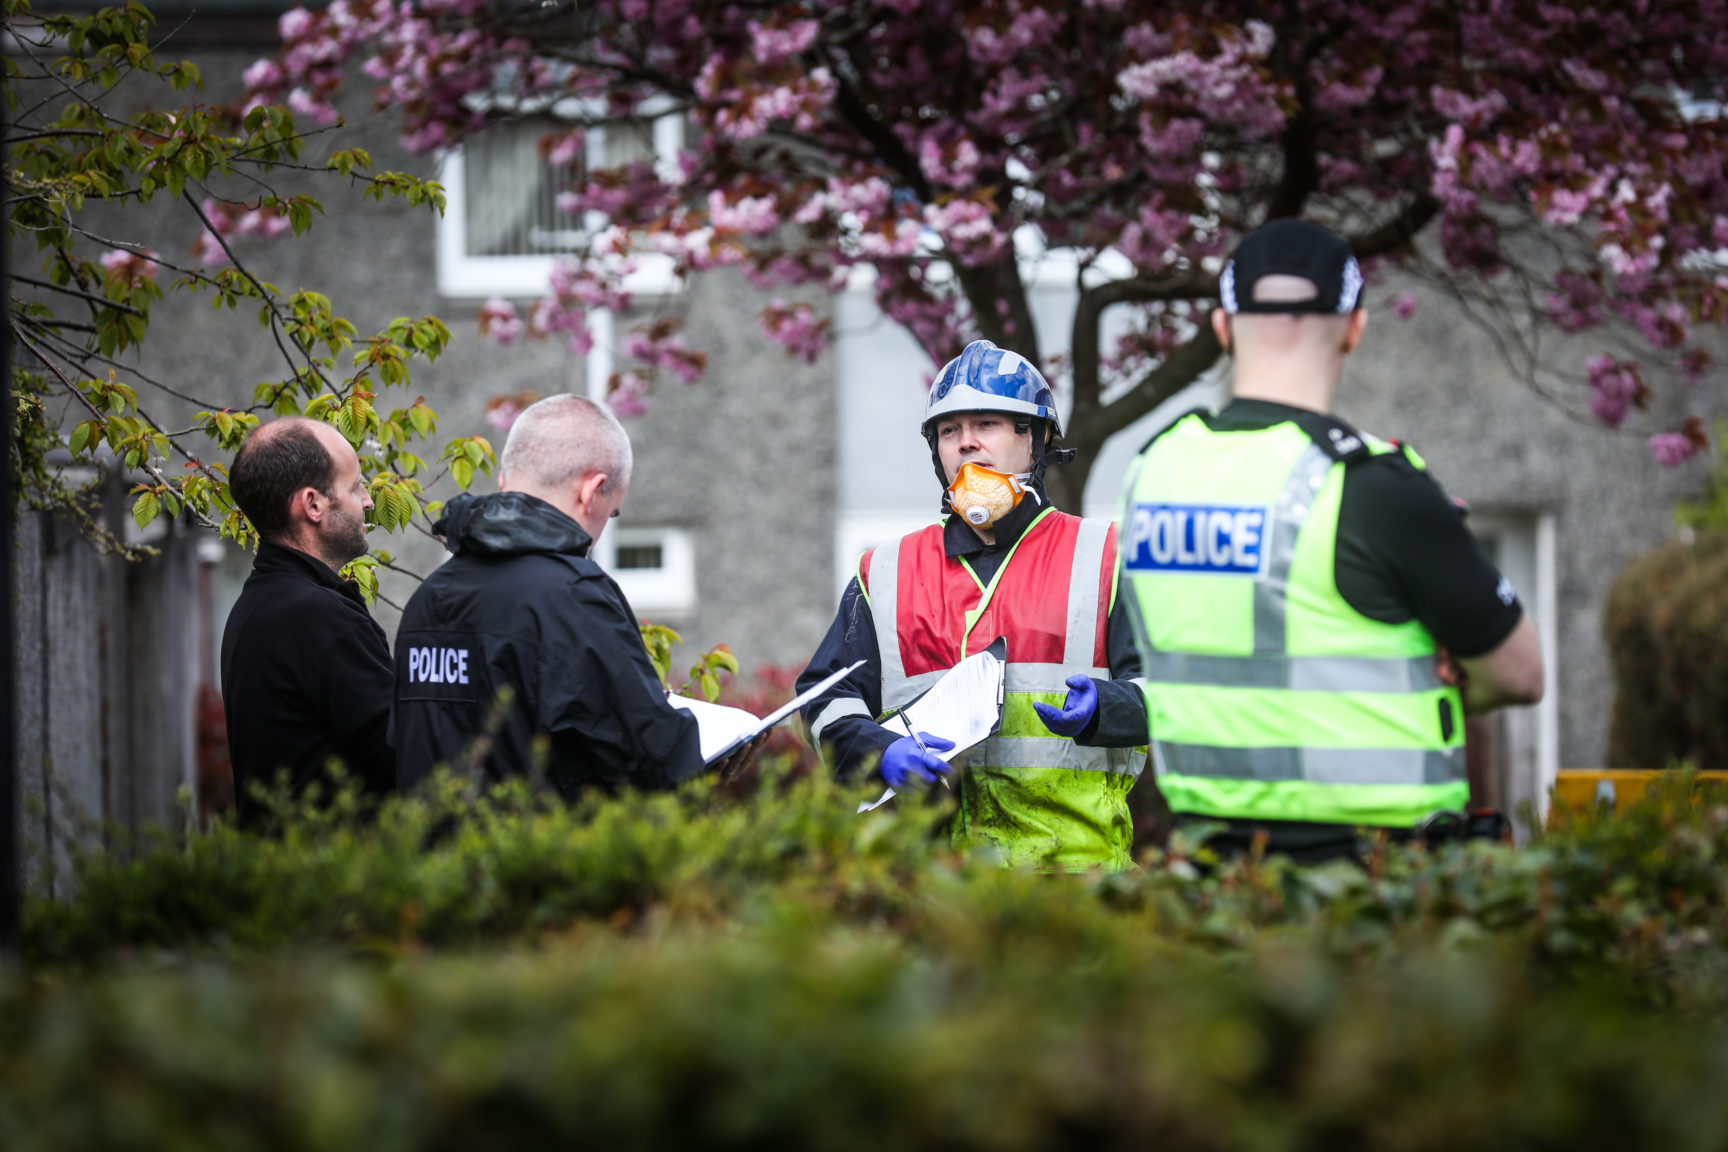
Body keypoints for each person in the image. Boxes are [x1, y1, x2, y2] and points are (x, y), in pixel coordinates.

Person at [1117, 217, 1545, 863]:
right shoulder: (1372, 485)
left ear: (1223, 328)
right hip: (1370, 884)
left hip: (1205, 872)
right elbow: (1519, 674)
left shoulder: (1152, 473)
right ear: (1354, 328)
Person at [798, 341, 1148, 872]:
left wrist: (1109, 707)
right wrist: (877, 751)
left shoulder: (1108, 556)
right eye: (948, 431)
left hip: (1075, 880)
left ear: (1034, 440)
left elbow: (1176, 691)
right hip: (925, 884)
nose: (966, 444)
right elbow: (826, 698)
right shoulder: (885, 570)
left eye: (986, 424)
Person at [391, 393, 758, 797]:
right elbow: (652, 764)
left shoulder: (429, 598)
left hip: (424, 856)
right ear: (592, 490)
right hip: (546, 855)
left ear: (504, 481)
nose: (603, 530)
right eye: (612, 512)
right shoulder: (574, 597)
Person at [221, 416, 395, 824]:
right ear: (313, 504)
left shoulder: (258, 604)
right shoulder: (319, 619)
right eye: (354, 487)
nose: (368, 501)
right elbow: (402, 758)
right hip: (338, 878)